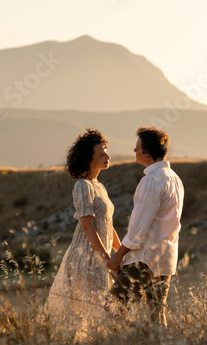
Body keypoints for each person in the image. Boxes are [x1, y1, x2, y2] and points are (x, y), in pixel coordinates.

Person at [107, 126, 184, 326]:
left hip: (145, 258)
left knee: (113, 305)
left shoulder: (151, 181)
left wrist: (119, 256)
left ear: (147, 155)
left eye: (137, 148)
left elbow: (138, 228)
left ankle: (122, 344)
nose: (134, 151)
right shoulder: (175, 179)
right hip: (166, 256)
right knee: (157, 314)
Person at [45, 128, 120, 330]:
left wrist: (120, 252)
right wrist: (106, 258)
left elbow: (107, 224)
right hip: (87, 257)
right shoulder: (82, 187)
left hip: (101, 256)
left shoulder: (99, 186)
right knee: (103, 305)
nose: (107, 156)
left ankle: (120, 337)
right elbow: (87, 227)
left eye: (106, 151)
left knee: (105, 305)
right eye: (102, 154)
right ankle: (128, 336)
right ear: (89, 160)